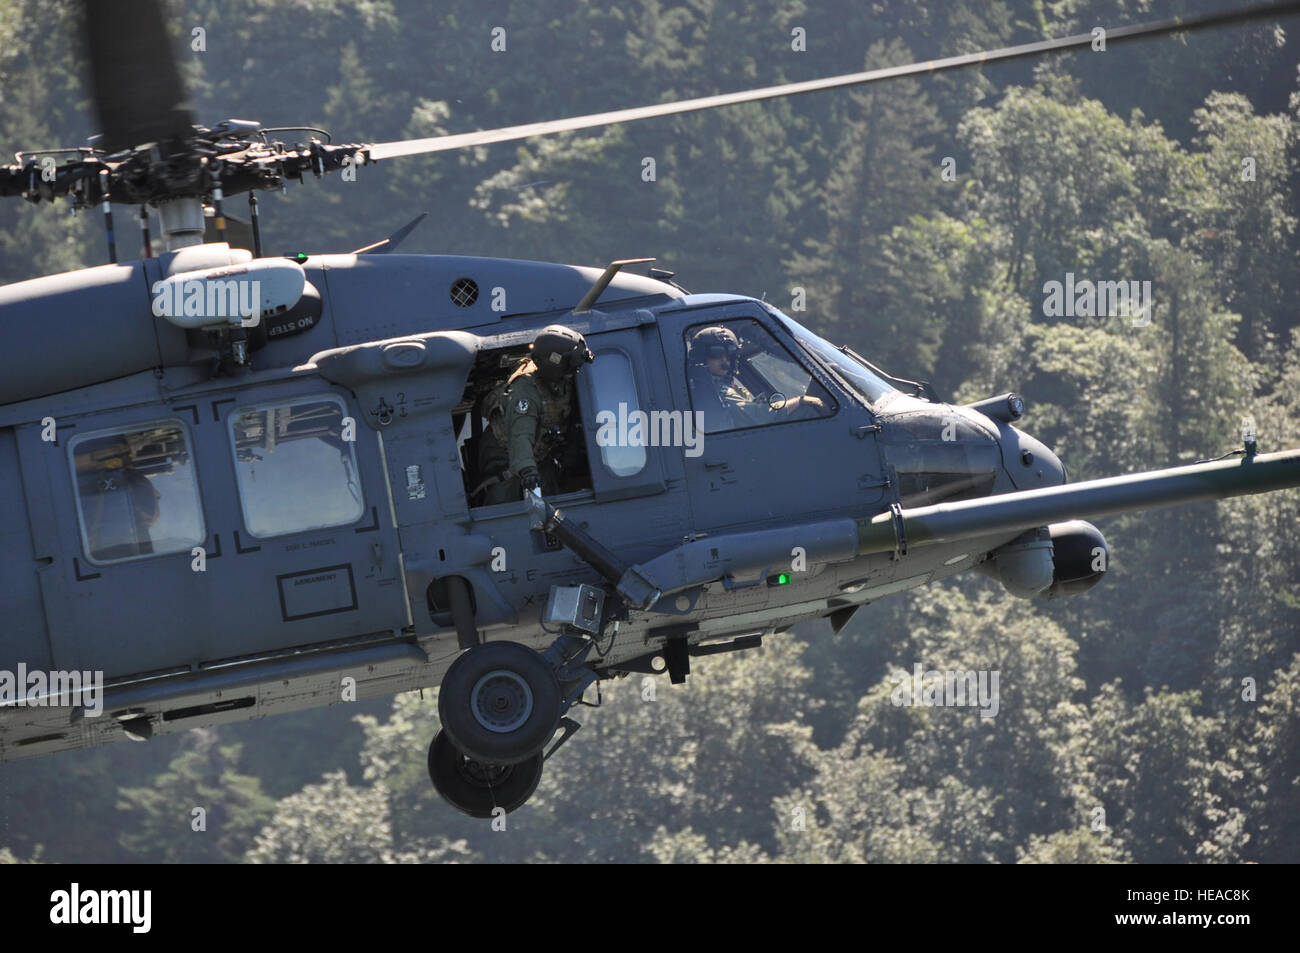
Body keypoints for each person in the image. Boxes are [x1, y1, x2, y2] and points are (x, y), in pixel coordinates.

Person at [475, 325, 594, 504]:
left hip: (539, 450)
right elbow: (520, 435)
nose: (573, 372)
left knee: (554, 494)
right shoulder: (524, 392)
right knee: (505, 499)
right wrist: (527, 470)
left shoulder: (562, 379)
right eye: (569, 367)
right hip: (506, 451)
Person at [688, 325, 824, 430]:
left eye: (729, 356)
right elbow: (762, 417)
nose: (725, 361)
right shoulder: (715, 392)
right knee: (806, 412)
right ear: (702, 357)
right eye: (716, 354)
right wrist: (800, 401)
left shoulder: (719, 387)